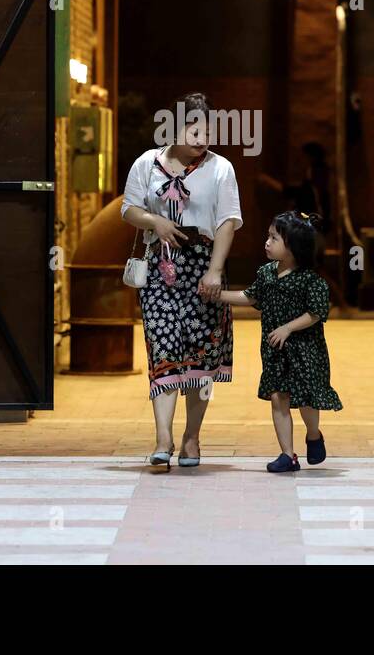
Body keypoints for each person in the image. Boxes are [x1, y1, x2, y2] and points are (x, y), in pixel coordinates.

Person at [121, 92, 242, 469]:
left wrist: (216, 270)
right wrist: (154, 221)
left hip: (204, 265)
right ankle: (163, 439)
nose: (201, 136)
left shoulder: (220, 168)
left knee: (200, 355)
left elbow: (227, 221)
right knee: (163, 349)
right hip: (161, 267)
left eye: (207, 130)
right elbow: (129, 209)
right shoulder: (147, 163)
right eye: (193, 128)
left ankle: (192, 437)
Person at [215, 211, 342, 473]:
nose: (267, 242)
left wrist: (287, 328)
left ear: (294, 246)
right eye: (268, 236)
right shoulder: (266, 273)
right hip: (275, 350)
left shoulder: (311, 280)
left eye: (274, 238)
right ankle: (288, 455)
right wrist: (217, 295)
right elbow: (250, 297)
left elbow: (316, 313)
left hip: (306, 350)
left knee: (307, 399)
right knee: (278, 398)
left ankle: (314, 434)